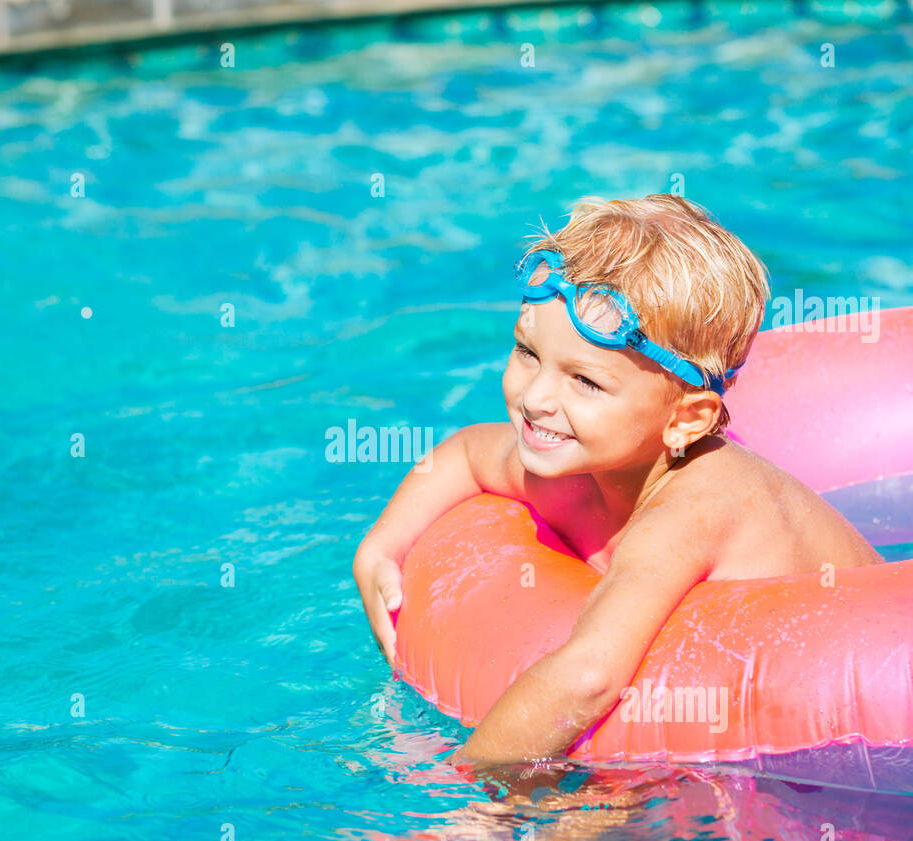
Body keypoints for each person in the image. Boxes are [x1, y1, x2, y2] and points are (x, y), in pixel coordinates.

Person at [352, 194, 883, 767]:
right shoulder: (573, 473)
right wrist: (381, 547)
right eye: (528, 352)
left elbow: (589, 677)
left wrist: (464, 797)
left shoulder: (694, 508)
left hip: (854, 718)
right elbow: (463, 455)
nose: (535, 399)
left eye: (585, 382)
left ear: (687, 419)